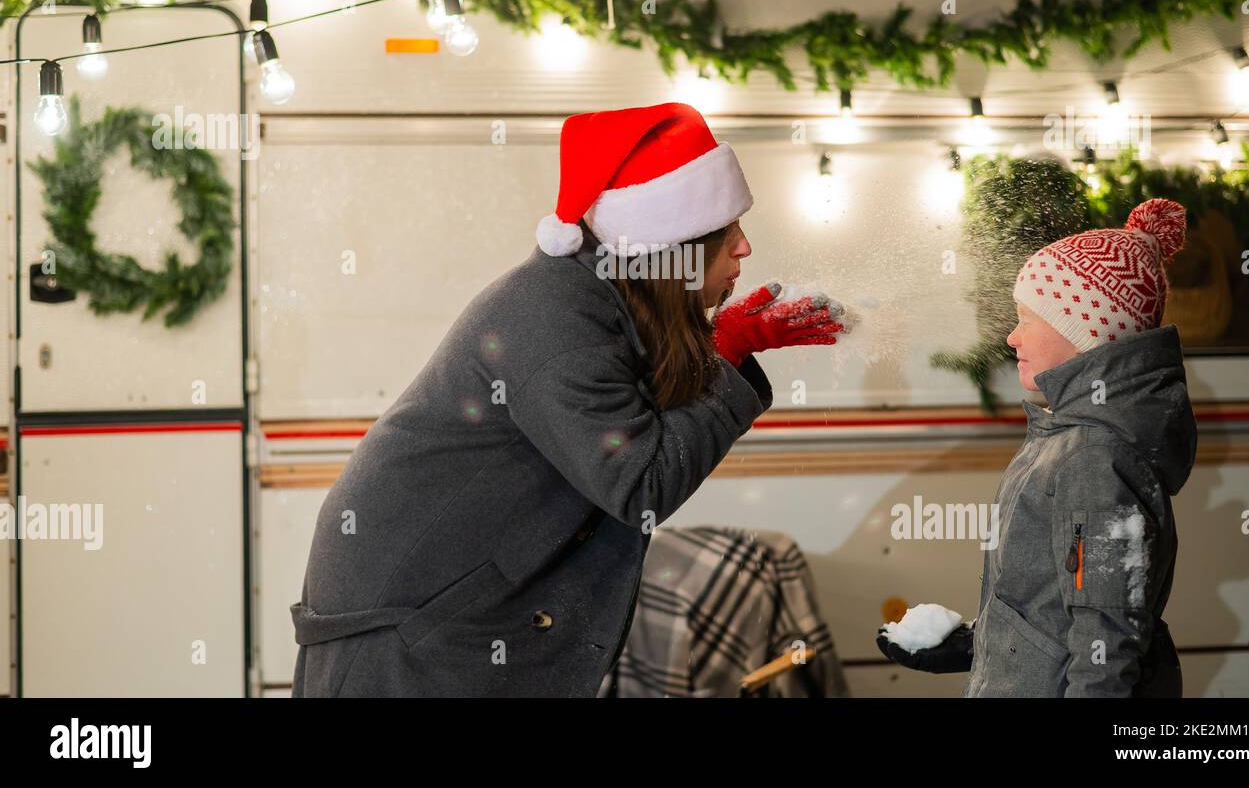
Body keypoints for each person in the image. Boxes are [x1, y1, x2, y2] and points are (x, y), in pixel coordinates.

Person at [290, 102, 846, 696]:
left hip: (441, 619)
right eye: (727, 232)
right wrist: (727, 355)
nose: (745, 249)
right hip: (409, 637)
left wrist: (719, 349)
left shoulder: (594, 298)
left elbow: (629, 412)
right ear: (672, 246)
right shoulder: (553, 317)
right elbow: (639, 481)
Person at [878, 198, 1196, 696]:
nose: (1012, 336)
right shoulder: (1066, 437)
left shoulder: (1094, 458)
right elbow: (1055, 611)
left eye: (1027, 319)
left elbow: (1106, 647)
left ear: (1084, 332)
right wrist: (977, 644)